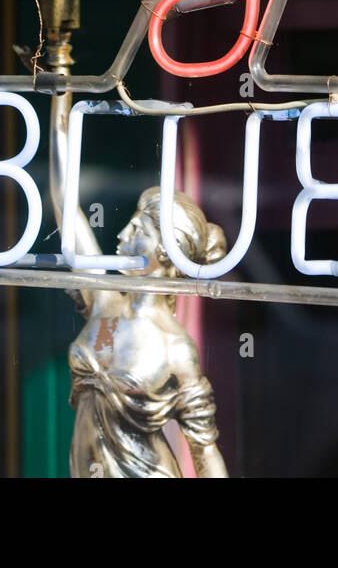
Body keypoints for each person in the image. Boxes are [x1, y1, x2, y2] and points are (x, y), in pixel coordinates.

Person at [68, 187, 229, 478]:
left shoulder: (176, 346)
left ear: (165, 250)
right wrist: (60, 139)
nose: (122, 235)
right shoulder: (104, 302)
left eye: (138, 230)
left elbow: (204, 448)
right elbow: (67, 206)